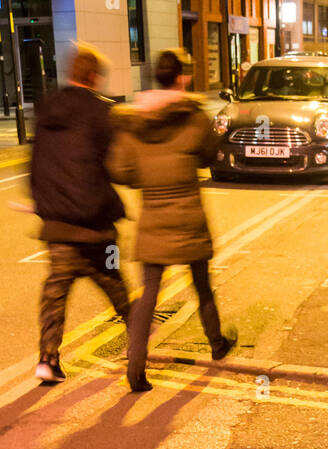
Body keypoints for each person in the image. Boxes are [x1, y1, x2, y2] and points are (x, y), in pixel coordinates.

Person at [112, 49, 236, 393]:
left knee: (148, 293)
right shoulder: (193, 115)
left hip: (153, 218)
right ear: (180, 77)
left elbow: (121, 170)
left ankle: (136, 367)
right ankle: (216, 343)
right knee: (201, 283)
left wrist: (145, 177)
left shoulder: (134, 121)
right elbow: (210, 155)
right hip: (188, 217)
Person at [29, 45, 130, 385]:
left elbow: (34, 164)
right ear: (94, 77)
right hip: (96, 227)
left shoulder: (48, 110)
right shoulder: (100, 114)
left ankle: (48, 358)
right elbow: (115, 167)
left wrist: (43, 204)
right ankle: (139, 342)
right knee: (116, 284)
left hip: (57, 225)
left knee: (55, 292)